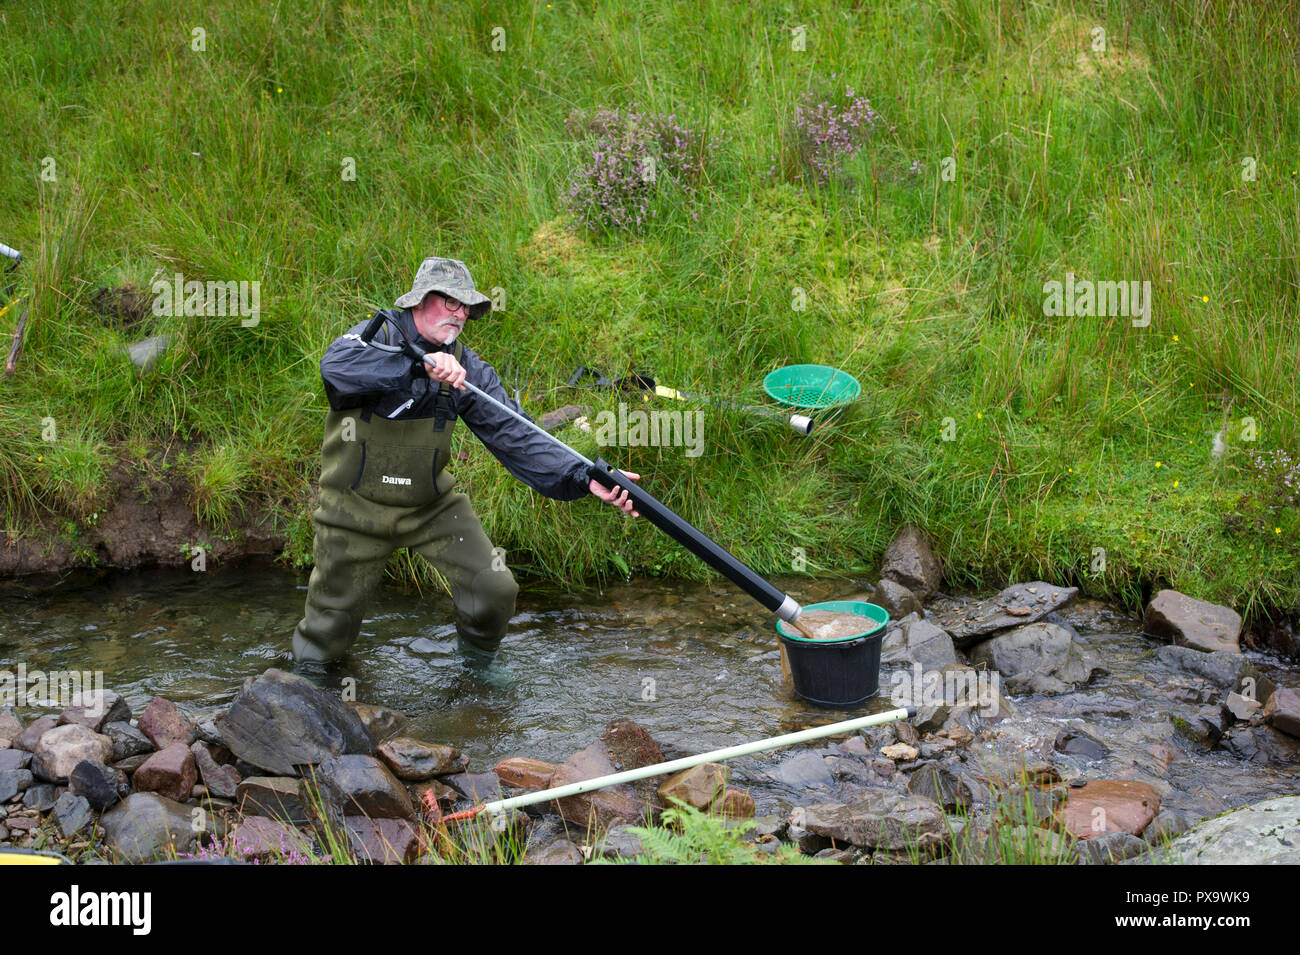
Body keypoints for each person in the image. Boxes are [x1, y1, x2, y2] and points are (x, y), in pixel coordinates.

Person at [291, 256, 639, 663]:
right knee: (328, 628)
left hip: (429, 508)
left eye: (465, 307)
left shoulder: (468, 368)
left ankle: (477, 667)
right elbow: (336, 369)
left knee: (495, 589)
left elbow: (517, 435)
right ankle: (309, 691)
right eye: (448, 302)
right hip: (352, 509)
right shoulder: (374, 334)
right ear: (418, 301)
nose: (459, 314)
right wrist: (417, 366)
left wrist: (581, 476)